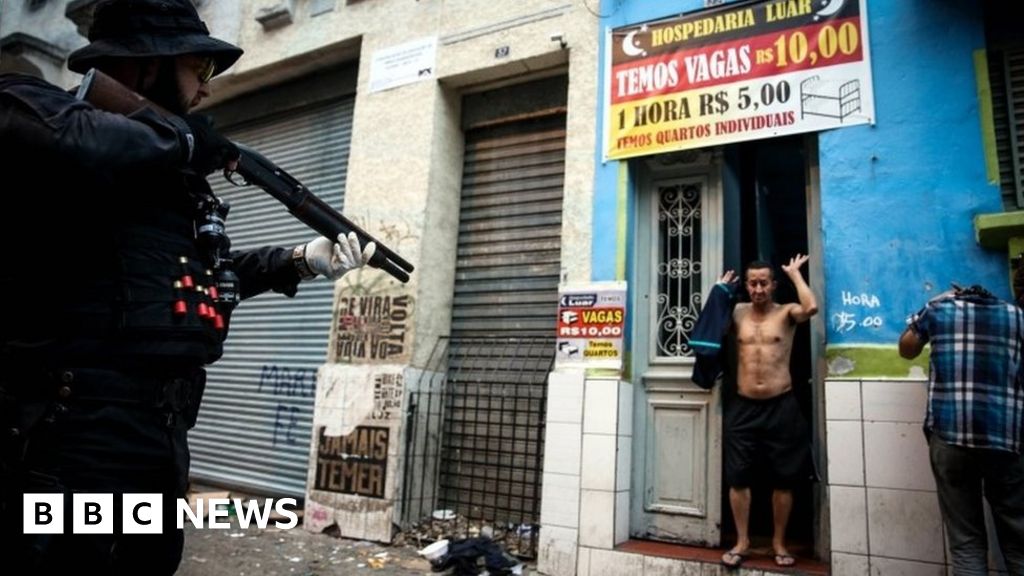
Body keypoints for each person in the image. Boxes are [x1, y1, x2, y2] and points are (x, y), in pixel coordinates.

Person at [0, 0, 375, 573]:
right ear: (146, 62)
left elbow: (194, 281)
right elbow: (83, 140)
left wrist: (298, 260)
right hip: (67, 435)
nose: (205, 88)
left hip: (159, 434)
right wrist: (189, 143)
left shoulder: (171, 172)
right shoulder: (32, 108)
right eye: (199, 68)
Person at [898, 282, 1024, 576]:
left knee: (966, 543)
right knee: (1018, 543)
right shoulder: (1018, 317)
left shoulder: (938, 309)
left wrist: (934, 302)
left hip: (950, 436)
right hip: (1005, 437)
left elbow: (906, 349)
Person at [718, 255, 818, 569]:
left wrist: (795, 275)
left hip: (781, 404)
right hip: (743, 405)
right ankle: (742, 541)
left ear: (773, 285)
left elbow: (811, 308)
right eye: (753, 283)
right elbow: (709, 326)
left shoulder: (786, 312)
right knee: (737, 476)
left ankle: (779, 542)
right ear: (746, 286)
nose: (758, 289)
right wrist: (719, 292)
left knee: (784, 478)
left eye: (764, 282)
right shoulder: (736, 312)